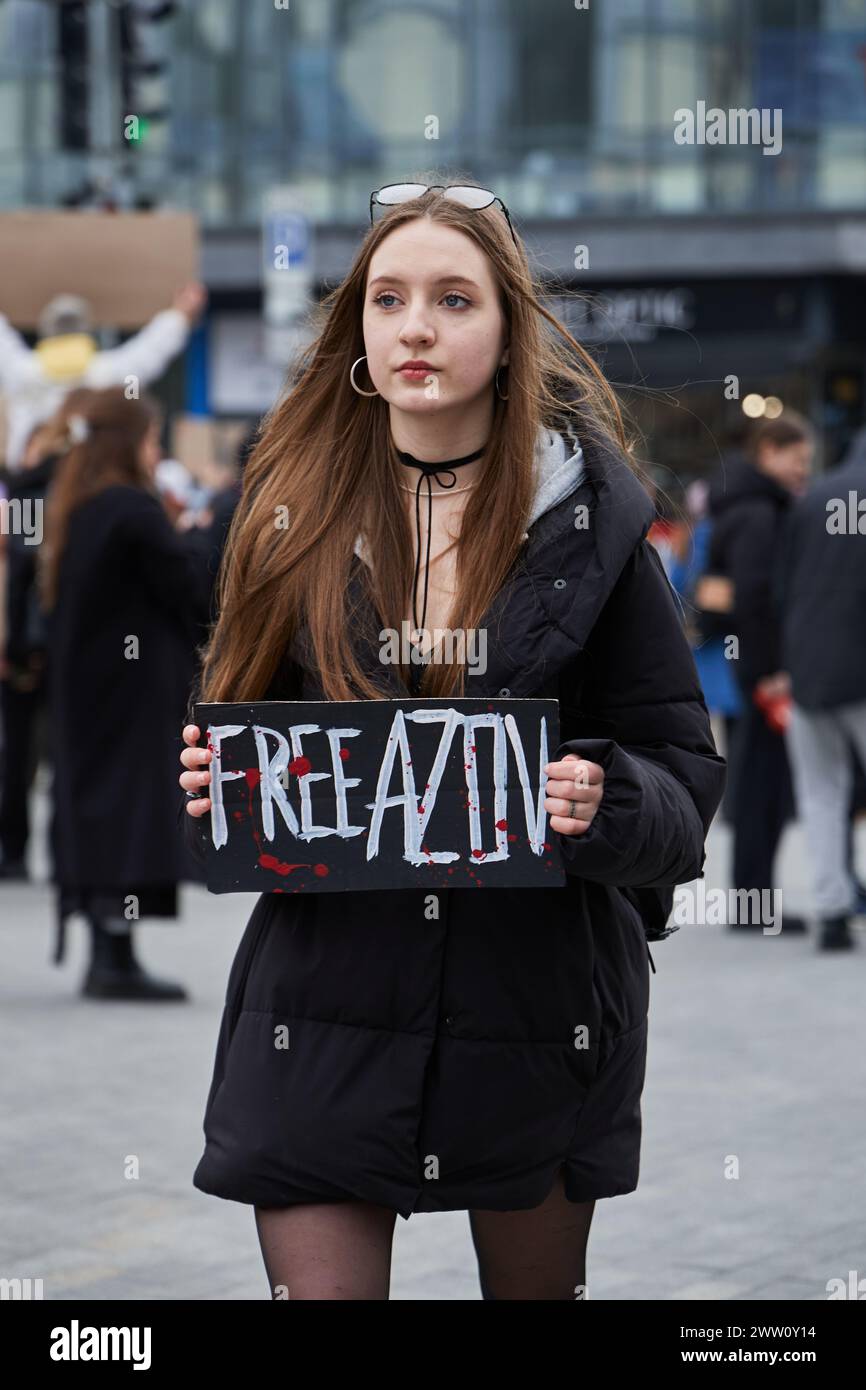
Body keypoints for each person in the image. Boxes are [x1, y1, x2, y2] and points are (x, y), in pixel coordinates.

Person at [179, 178, 726, 1300]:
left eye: (451, 298)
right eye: (386, 299)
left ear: (508, 328)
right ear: (357, 333)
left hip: (532, 1022)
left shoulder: (598, 529)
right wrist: (209, 784)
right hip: (319, 1017)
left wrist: (600, 799)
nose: (414, 326)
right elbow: (235, 753)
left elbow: (680, 787)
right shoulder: (287, 519)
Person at [41, 387, 209, 999]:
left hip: (88, 690)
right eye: (149, 436)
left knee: (101, 805)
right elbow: (188, 586)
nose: (155, 448)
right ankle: (116, 957)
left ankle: (109, 946)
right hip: (130, 694)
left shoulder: (77, 505)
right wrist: (197, 533)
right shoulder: (132, 509)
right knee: (131, 808)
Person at [704, 411, 814, 932]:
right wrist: (772, 671)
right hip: (758, 673)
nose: (803, 472)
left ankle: (754, 903)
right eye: (799, 460)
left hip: (741, 668)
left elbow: (718, 593)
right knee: (760, 790)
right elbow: (756, 600)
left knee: (755, 786)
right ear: (770, 450)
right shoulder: (760, 514)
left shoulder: (740, 507)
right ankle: (754, 907)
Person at [0, 389, 98, 878]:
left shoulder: (27, 494)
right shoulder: (82, 493)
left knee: (15, 751)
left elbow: (20, 569)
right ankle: (66, 855)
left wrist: (16, 640)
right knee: (66, 750)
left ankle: (12, 851)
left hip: (29, 643)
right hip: (72, 640)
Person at [779, 426, 866, 950]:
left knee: (820, 792)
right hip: (859, 672)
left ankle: (832, 912)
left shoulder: (813, 500)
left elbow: (782, 587)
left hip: (807, 669)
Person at [0, 283, 207, 472]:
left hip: (28, 488)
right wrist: (180, 315)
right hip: (87, 482)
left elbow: (3, 344)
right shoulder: (106, 373)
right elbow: (146, 354)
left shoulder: (23, 372)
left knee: (23, 514)